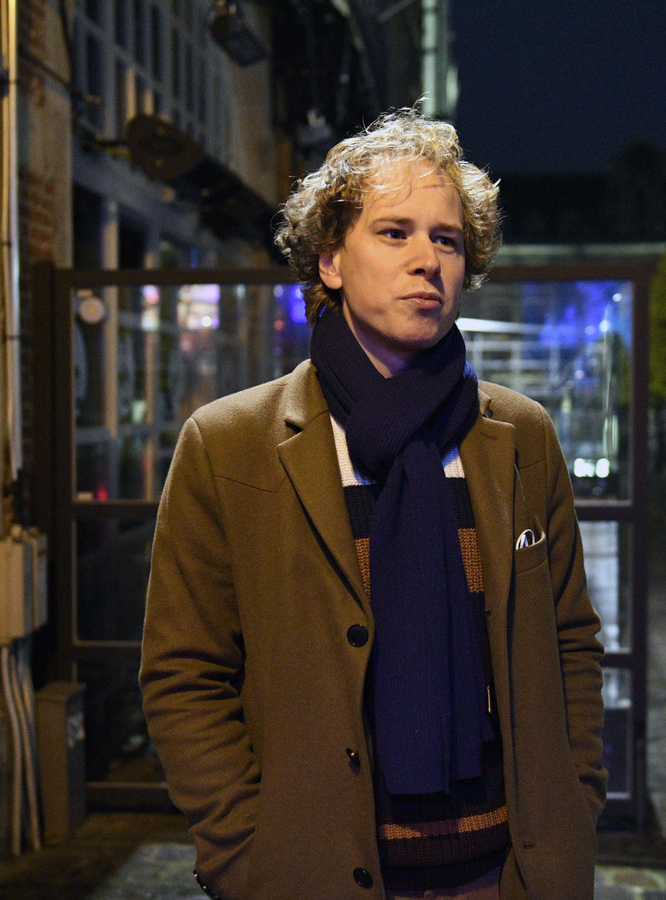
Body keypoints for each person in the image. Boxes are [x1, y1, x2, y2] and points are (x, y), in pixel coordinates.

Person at [139, 108, 606, 900]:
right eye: (395, 233)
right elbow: (185, 671)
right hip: (316, 874)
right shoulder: (230, 444)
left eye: (447, 239)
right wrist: (243, 852)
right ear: (330, 260)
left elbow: (570, 642)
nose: (428, 260)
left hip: (504, 874)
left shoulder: (519, 435)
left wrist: (574, 805)